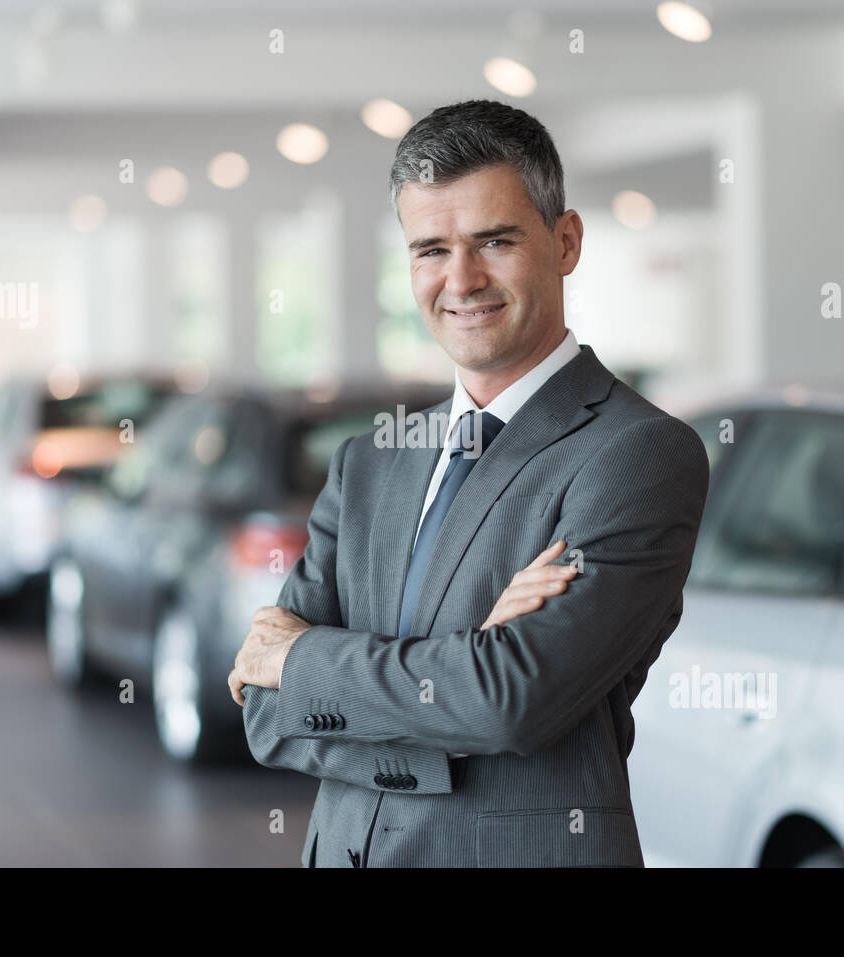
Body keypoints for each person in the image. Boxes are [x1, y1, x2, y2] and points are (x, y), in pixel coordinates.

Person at [228, 98, 709, 867]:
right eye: (430, 249)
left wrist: (306, 661)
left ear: (566, 241)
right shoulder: (368, 462)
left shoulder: (639, 453)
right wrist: (463, 659)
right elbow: (265, 716)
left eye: (495, 240)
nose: (462, 279)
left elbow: (510, 700)